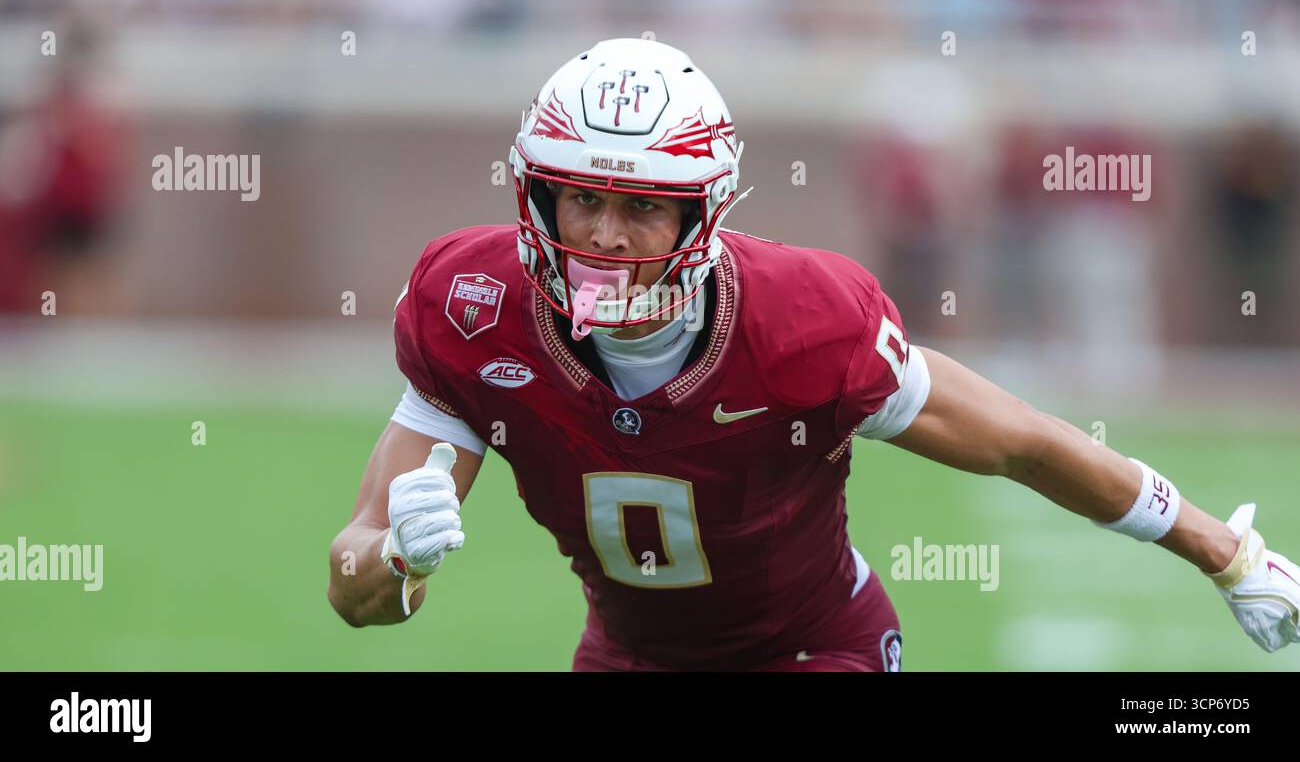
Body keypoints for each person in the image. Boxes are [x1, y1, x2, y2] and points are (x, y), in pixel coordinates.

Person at [327, 38, 1300, 671]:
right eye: (581, 198)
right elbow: (355, 594)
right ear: (536, 197)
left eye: (640, 206)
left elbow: (1020, 442)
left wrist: (1220, 547)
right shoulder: (474, 307)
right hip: (625, 655)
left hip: (810, 650)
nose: (605, 237)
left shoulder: (802, 322)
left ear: (701, 214)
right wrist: (401, 557)